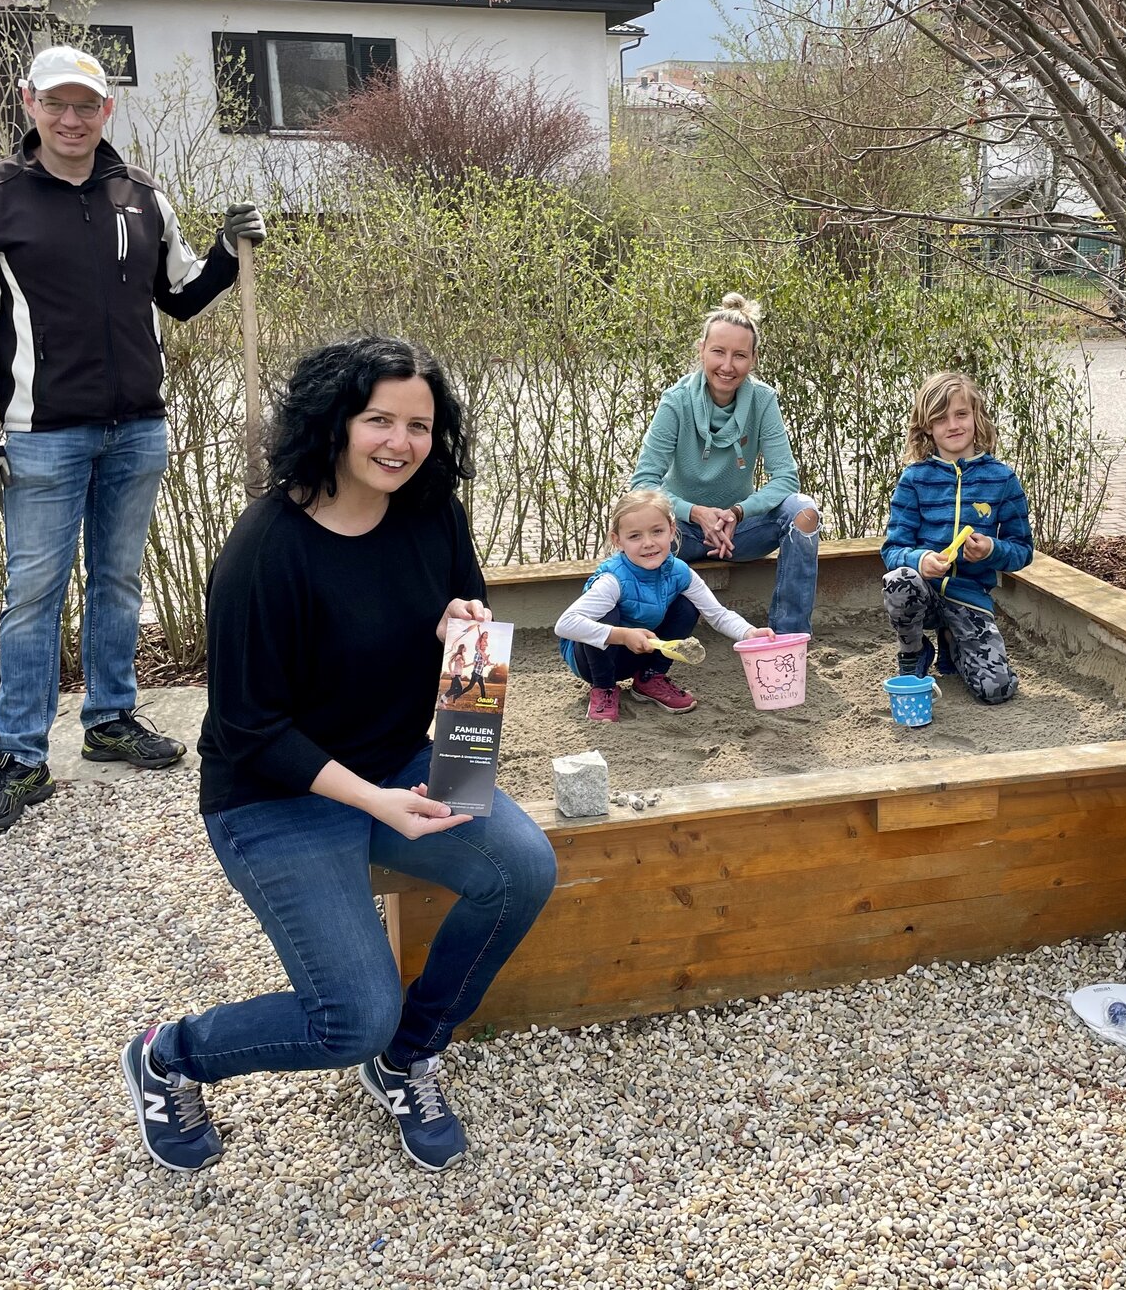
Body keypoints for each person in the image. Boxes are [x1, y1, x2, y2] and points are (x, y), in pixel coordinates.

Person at [119, 337, 556, 1174]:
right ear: (334, 423)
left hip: (395, 763)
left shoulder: (433, 514)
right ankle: (170, 1054)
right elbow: (251, 727)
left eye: (419, 425)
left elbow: (472, 631)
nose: (400, 442)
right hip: (272, 796)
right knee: (349, 1016)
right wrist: (378, 802)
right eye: (378, 420)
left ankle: (409, 1054)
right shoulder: (266, 551)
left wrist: (458, 685)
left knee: (521, 867)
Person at [0, 45, 266, 838]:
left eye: (86, 105)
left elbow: (180, 296)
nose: (72, 119)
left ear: (106, 110)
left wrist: (227, 253)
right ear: (29, 104)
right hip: (40, 437)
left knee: (118, 583)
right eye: (56, 104)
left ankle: (109, 719)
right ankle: (20, 757)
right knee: (32, 600)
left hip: (137, 429)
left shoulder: (141, 195)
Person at [629, 293, 819, 635]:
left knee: (803, 511)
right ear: (701, 350)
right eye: (718, 352)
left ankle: (789, 636)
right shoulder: (675, 402)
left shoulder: (763, 401)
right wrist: (696, 513)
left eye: (739, 356)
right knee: (640, 522)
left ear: (753, 359)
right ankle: (642, 637)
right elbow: (643, 484)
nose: (727, 366)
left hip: (740, 530)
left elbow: (786, 479)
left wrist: (738, 512)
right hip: (682, 531)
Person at [880, 371, 1035, 705]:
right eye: (941, 418)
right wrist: (919, 561)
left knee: (996, 690)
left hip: (970, 600)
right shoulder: (914, 479)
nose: (953, 425)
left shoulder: (1002, 479)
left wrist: (992, 550)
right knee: (899, 579)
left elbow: (1022, 551)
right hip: (924, 594)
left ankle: (954, 643)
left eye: (961, 414)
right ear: (926, 427)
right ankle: (914, 650)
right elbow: (892, 549)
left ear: (977, 417)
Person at [555, 489, 766, 721]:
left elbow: (718, 614)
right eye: (635, 536)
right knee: (605, 613)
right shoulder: (613, 580)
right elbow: (565, 624)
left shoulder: (679, 572)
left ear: (672, 530)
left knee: (687, 605)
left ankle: (650, 677)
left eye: (657, 531)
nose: (648, 543)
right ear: (618, 540)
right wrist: (622, 635)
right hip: (593, 661)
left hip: (642, 652)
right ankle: (603, 689)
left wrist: (750, 633)